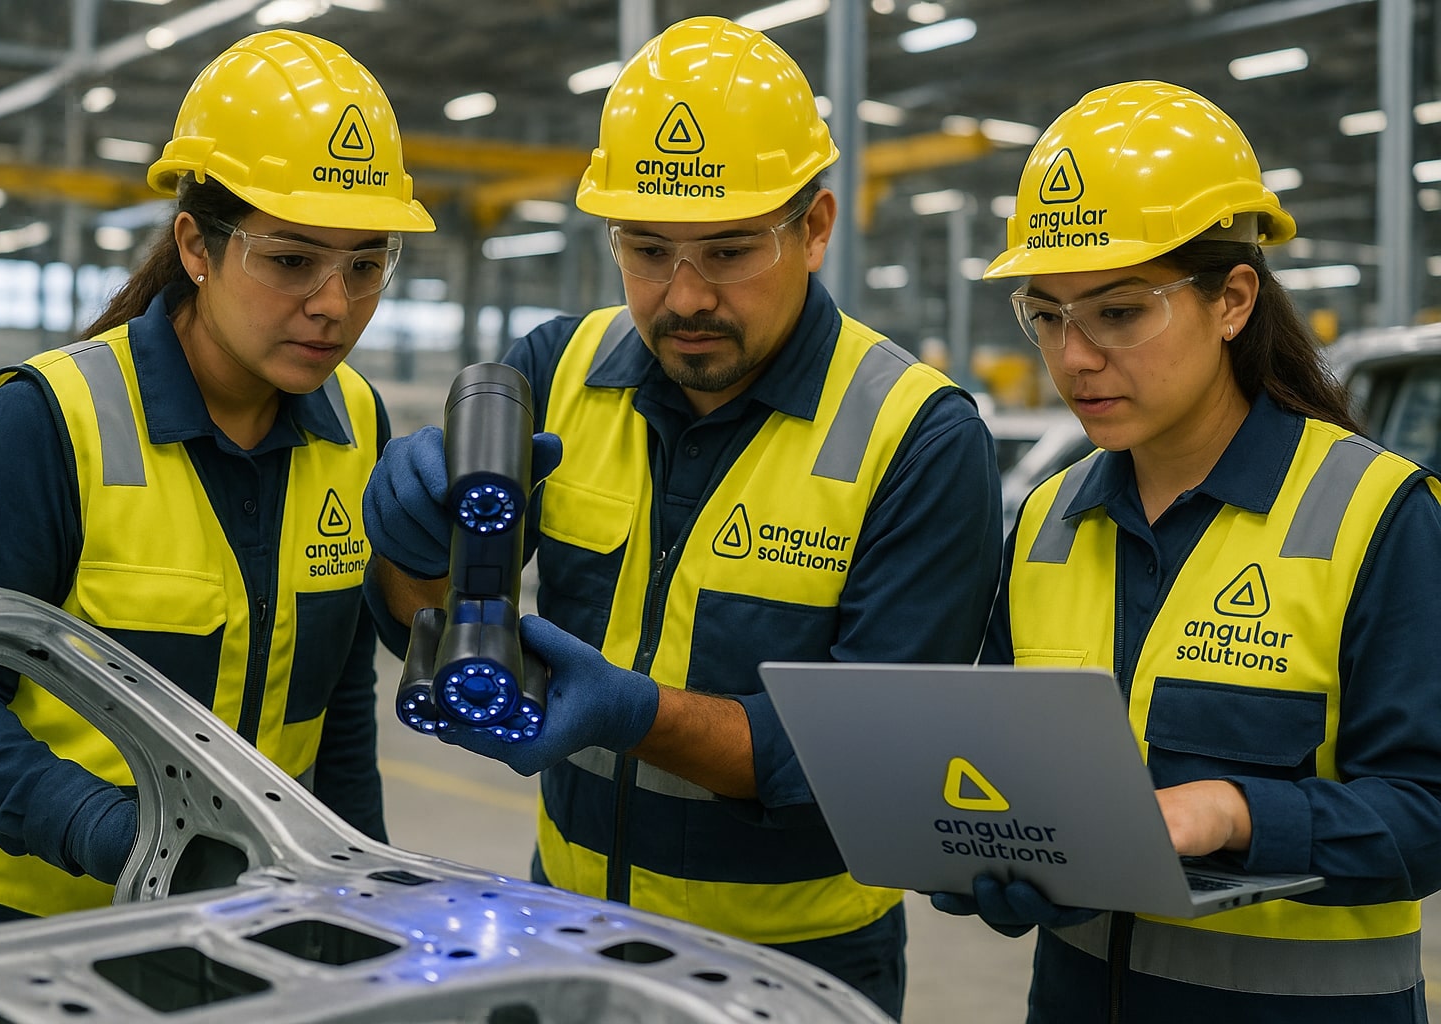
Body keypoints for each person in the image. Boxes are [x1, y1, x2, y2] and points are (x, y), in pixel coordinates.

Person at [362, 16, 1003, 1020]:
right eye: (647, 250)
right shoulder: (553, 372)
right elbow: (435, 617)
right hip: (561, 929)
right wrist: (410, 556)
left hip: (796, 966)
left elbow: (879, 760)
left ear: (817, 226)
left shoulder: (916, 435)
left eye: (731, 249)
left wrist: (637, 715)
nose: (685, 295)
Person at [932, 80, 1441, 1023]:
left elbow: (1427, 812)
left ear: (1233, 300)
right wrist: (988, 864)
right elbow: (1000, 778)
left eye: (1118, 313)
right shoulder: (1048, 522)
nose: (1074, 355)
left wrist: (1238, 814)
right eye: (1046, 314)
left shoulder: (1376, 516)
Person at [0, 29, 434, 934]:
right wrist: (119, 836)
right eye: (292, 259)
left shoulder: (357, 423)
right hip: (9, 925)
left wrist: (361, 898)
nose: (334, 304)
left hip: (236, 927)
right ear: (197, 245)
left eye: (366, 263)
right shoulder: (46, 422)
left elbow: (337, 700)